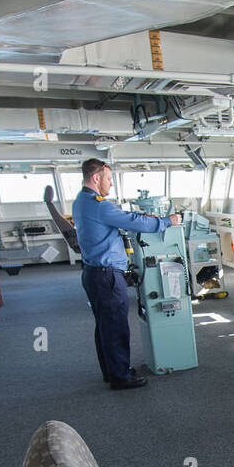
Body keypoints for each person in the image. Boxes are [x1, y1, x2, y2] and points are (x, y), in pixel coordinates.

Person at [72, 158, 182, 390]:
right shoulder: (99, 205)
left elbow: (118, 217)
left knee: (104, 326)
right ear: (96, 178)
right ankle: (121, 377)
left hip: (93, 273)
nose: (111, 184)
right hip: (108, 276)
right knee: (115, 327)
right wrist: (166, 221)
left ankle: (112, 371)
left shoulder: (82, 201)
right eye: (109, 179)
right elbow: (131, 221)